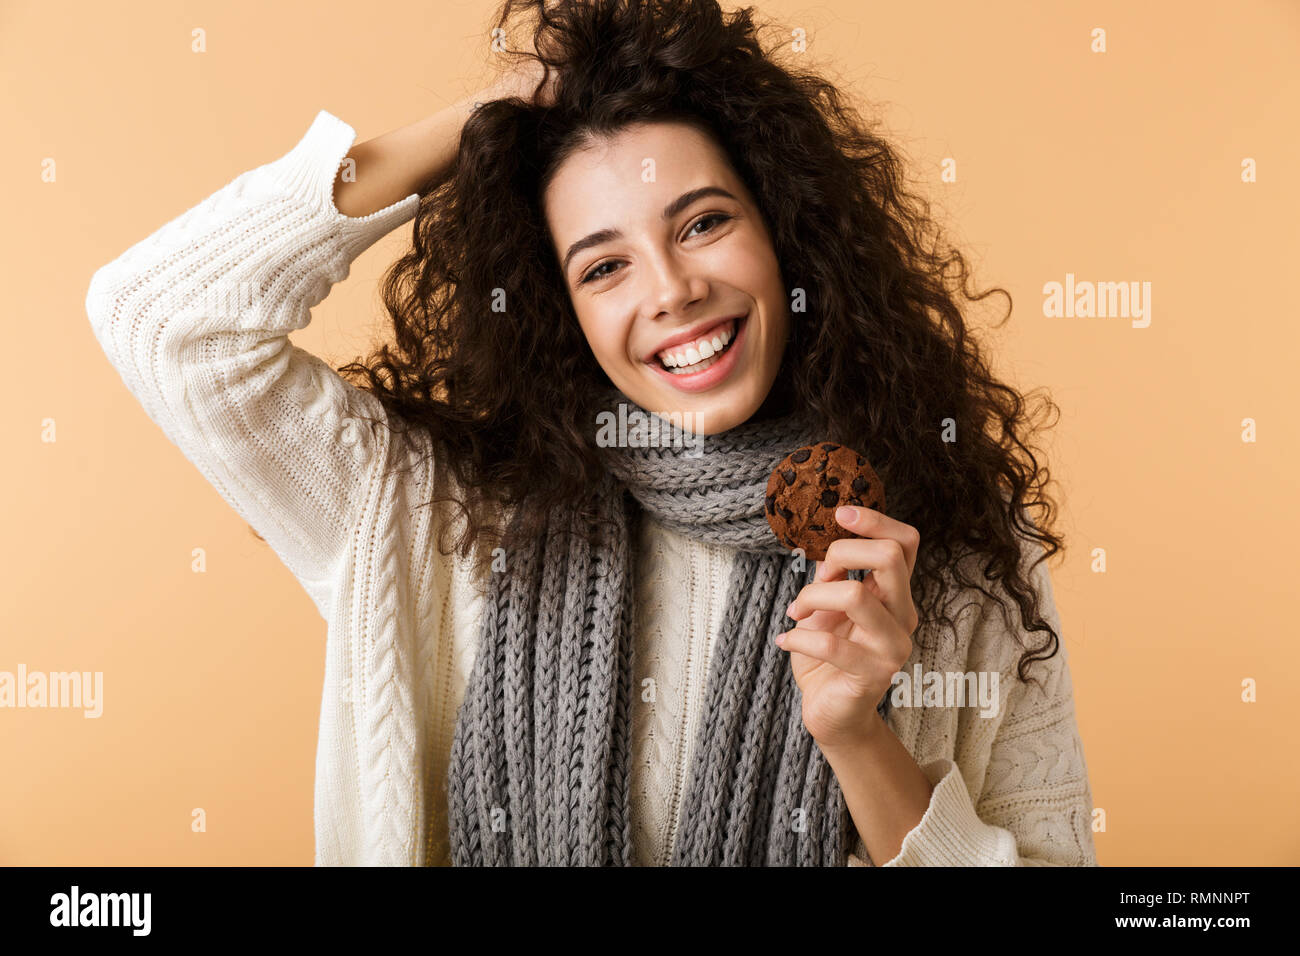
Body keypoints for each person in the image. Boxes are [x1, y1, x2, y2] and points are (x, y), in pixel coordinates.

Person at [85, 0, 1097, 866]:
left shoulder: (952, 548)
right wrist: (503, 111)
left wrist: (858, 738)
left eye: (703, 223)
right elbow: (160, 321)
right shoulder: (428, 509)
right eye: (604, 266)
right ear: (555, 306)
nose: (672, 290)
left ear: (787, 231)